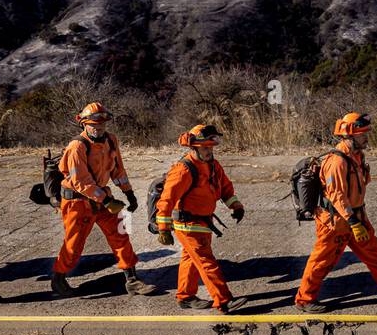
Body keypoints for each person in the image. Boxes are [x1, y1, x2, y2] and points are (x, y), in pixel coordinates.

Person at [294, 112, 377, 313]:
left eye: (366, 132)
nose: (366, 137)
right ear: (349, 135)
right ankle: (304, 300)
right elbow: (336, 195)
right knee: (322, 261)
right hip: (336, 222)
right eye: (362, 134)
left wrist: (357, 220)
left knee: (375, 254)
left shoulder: (356, 156)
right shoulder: (337, 162)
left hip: (356, 216)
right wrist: (353, 222)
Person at [50, 102, 157, 297]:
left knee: (121, 233)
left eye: (102, 125)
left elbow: (118, 170)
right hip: (78, 202)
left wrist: (129, 193)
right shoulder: (77, 147)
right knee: (74, 243)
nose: (99, 129)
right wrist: (107, 202)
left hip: (102, 198)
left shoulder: (111, 140)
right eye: (94, 125)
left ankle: (132, 280)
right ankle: (58, 278)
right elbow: (80, 182)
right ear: (84, 124)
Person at [155, 124, 247, 312]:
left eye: (211, 147)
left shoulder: (213, 164)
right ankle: (223, 300)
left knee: (190, 259)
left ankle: (185, 296)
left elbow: (225, 186)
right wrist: (163, 229)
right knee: (206, 261)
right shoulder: (183, 170)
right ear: (194, 147)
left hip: (204, 221)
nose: (209, 151)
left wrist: (235, 205)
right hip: (188, 224)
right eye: (205, 147)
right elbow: (166, 200)